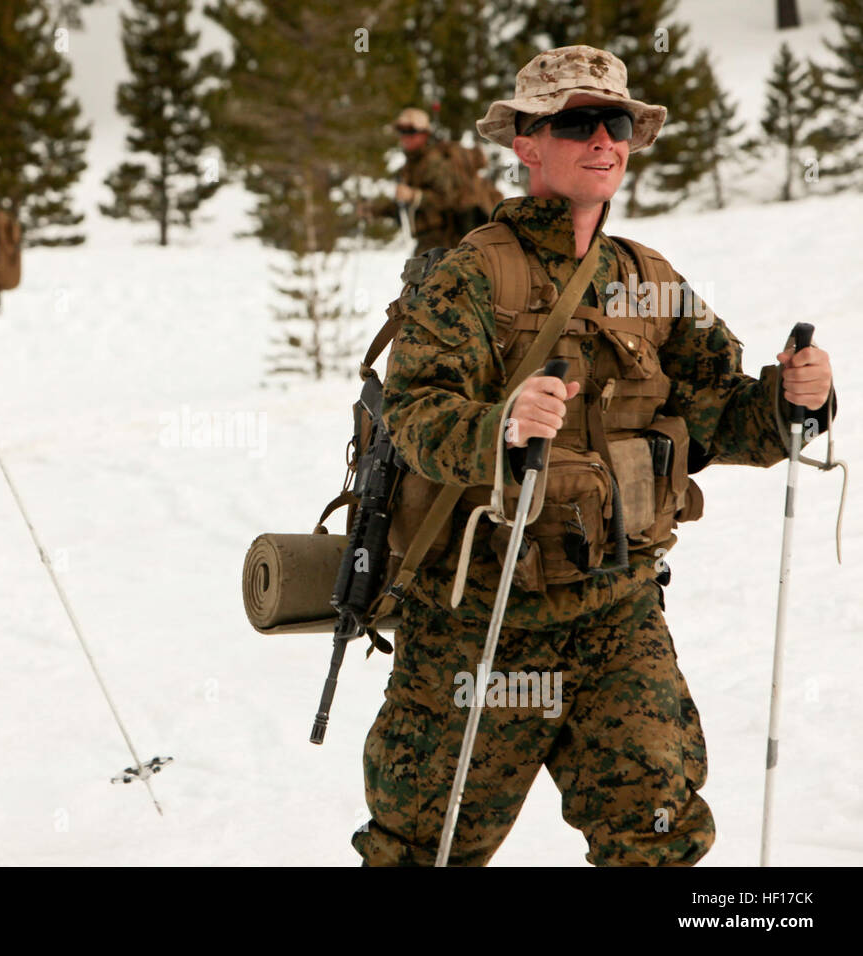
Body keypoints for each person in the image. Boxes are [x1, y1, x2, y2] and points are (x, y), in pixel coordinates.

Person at [354, 46, 837, 867]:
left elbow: (721, 415)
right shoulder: (470, 275)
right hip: (482, 622)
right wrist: (501, 428)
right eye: (577, 122)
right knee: (423, 850)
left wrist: (796, 400)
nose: (604, 140)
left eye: (616, 122)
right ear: (527, 144)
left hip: (617, 615)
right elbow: (414, 415)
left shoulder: (647, 281)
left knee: (658, 833)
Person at [369, 108, 501, 256]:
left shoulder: (433, 162)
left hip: (447, 241)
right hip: (429, 242)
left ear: (424, 134)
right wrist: (376, 211)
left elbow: (449, 198)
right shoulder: (410, 165)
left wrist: (414, 196)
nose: (405, 137)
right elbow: (403, 206)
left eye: (411, 131)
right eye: (401, 131)